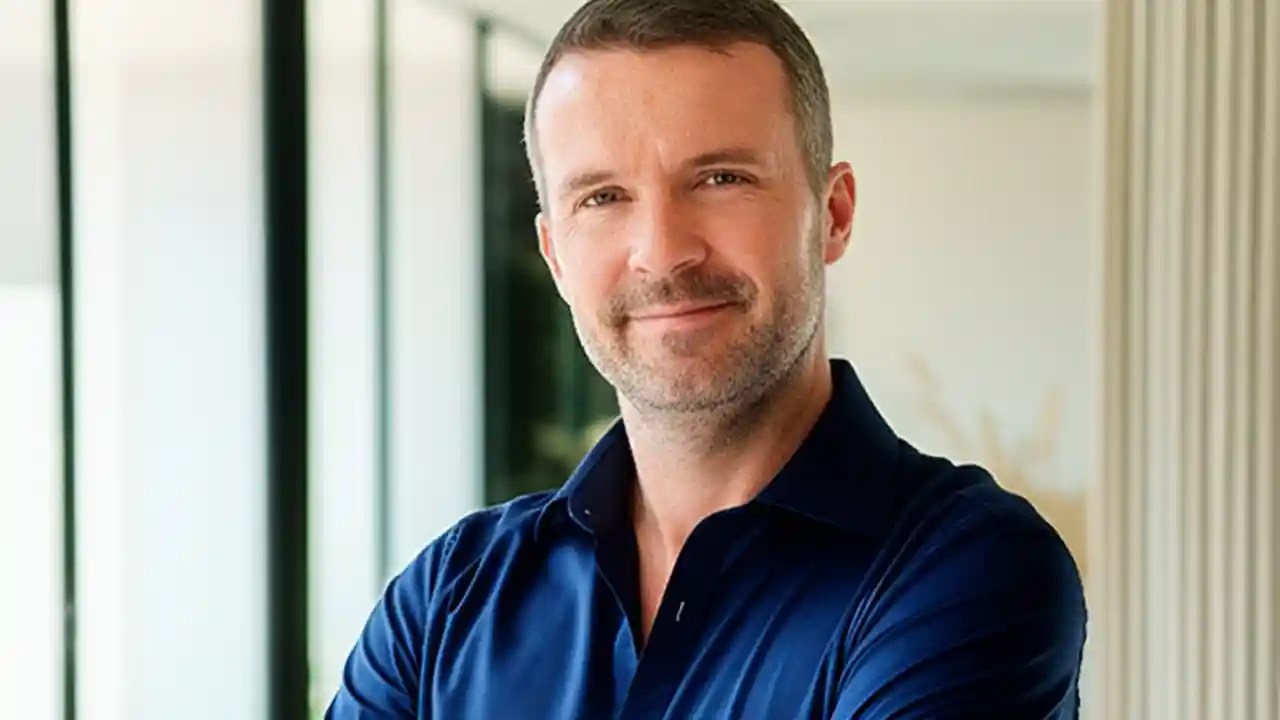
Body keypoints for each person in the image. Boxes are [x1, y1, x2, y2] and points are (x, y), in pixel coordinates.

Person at [327, 0, 1086, 717]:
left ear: (834, 214)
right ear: (555, 255)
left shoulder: (967, 575)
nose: (662, 251)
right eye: (601, 197)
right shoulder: (445, 603)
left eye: (721, 179)